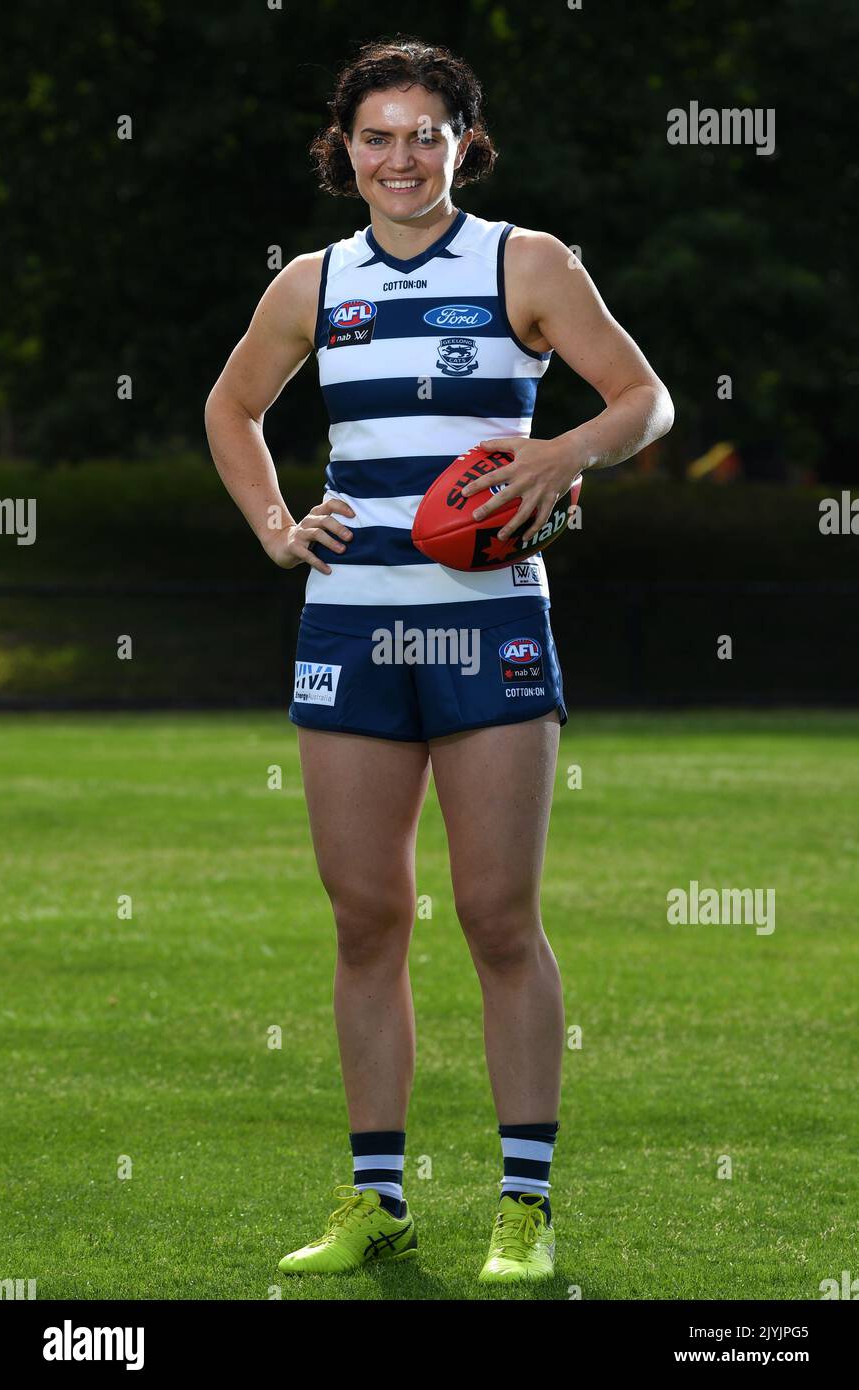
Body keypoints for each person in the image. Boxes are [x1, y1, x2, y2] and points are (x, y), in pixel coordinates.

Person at [205, 35, 673, 1284]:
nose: (400, 156)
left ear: (462, 142)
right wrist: (275, 527)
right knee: (363, 918)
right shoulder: (310, 282)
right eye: (376, 135)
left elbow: (642, 397)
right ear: (343, 150)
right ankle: (376, 1200)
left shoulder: (525, 259)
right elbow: (230, 407)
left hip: (489, 620)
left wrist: (560, 457)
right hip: (348, 620)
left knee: (493, 915)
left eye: (425, 133)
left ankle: (523, 1206)